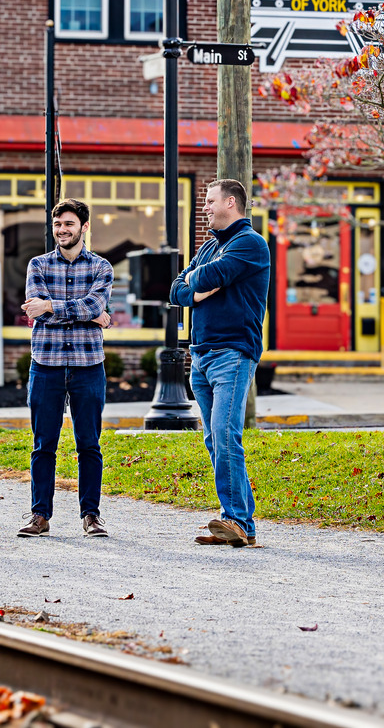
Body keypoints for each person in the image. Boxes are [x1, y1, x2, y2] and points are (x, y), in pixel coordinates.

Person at [169, 179, 270, 548]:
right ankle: (243, 525)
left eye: (210, 201)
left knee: (227, 436)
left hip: (233, 353)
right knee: (215, 439)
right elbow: (175, 291)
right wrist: (195, 286)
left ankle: (236, 520)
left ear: (231, 202)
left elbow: (205, 278)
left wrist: (196, 282)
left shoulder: (250, 244)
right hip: (201, 354)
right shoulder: (211, 246)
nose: (205, 207)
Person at [17, 199, 114, 539]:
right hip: (46, 366)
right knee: (44, 444)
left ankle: (91, 515)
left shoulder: (102, 268)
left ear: (84, 227)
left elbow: (94, 304)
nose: (62, 230)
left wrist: (54, 306)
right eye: (58, 225)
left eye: (69, 224)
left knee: (89, 444)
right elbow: (36, 309)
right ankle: (39, 515)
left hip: (89, 366)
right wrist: (86, 313)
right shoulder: (38, 265)